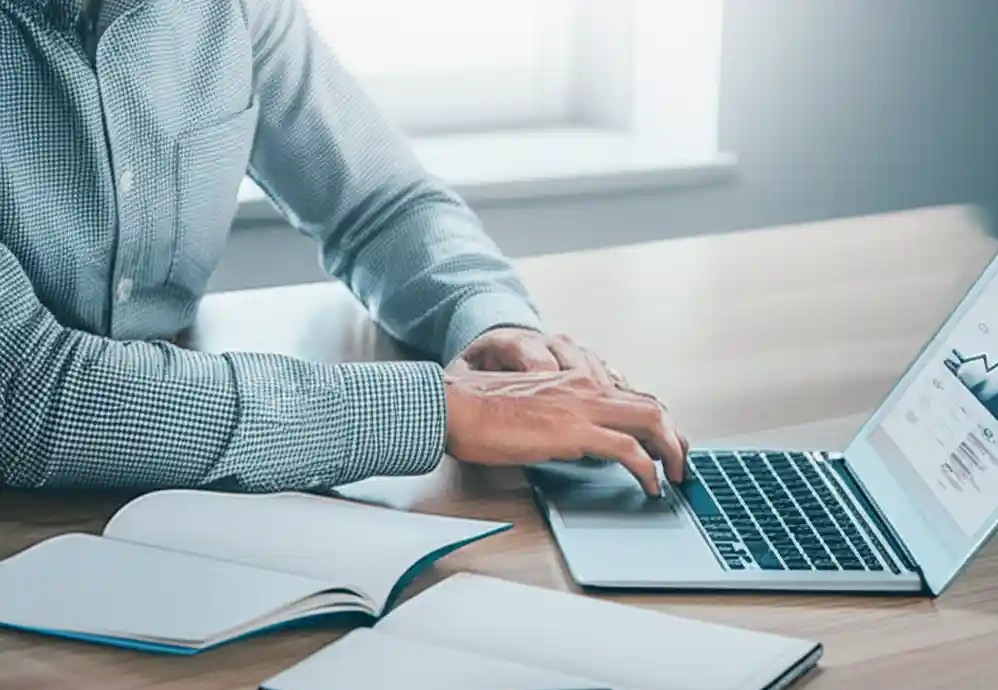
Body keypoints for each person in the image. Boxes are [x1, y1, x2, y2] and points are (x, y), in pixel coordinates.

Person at [0, 0, 686, 497]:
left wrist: (493, 324)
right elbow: (28, 394)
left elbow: (382, 204)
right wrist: (443, 410)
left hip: (176, 499)